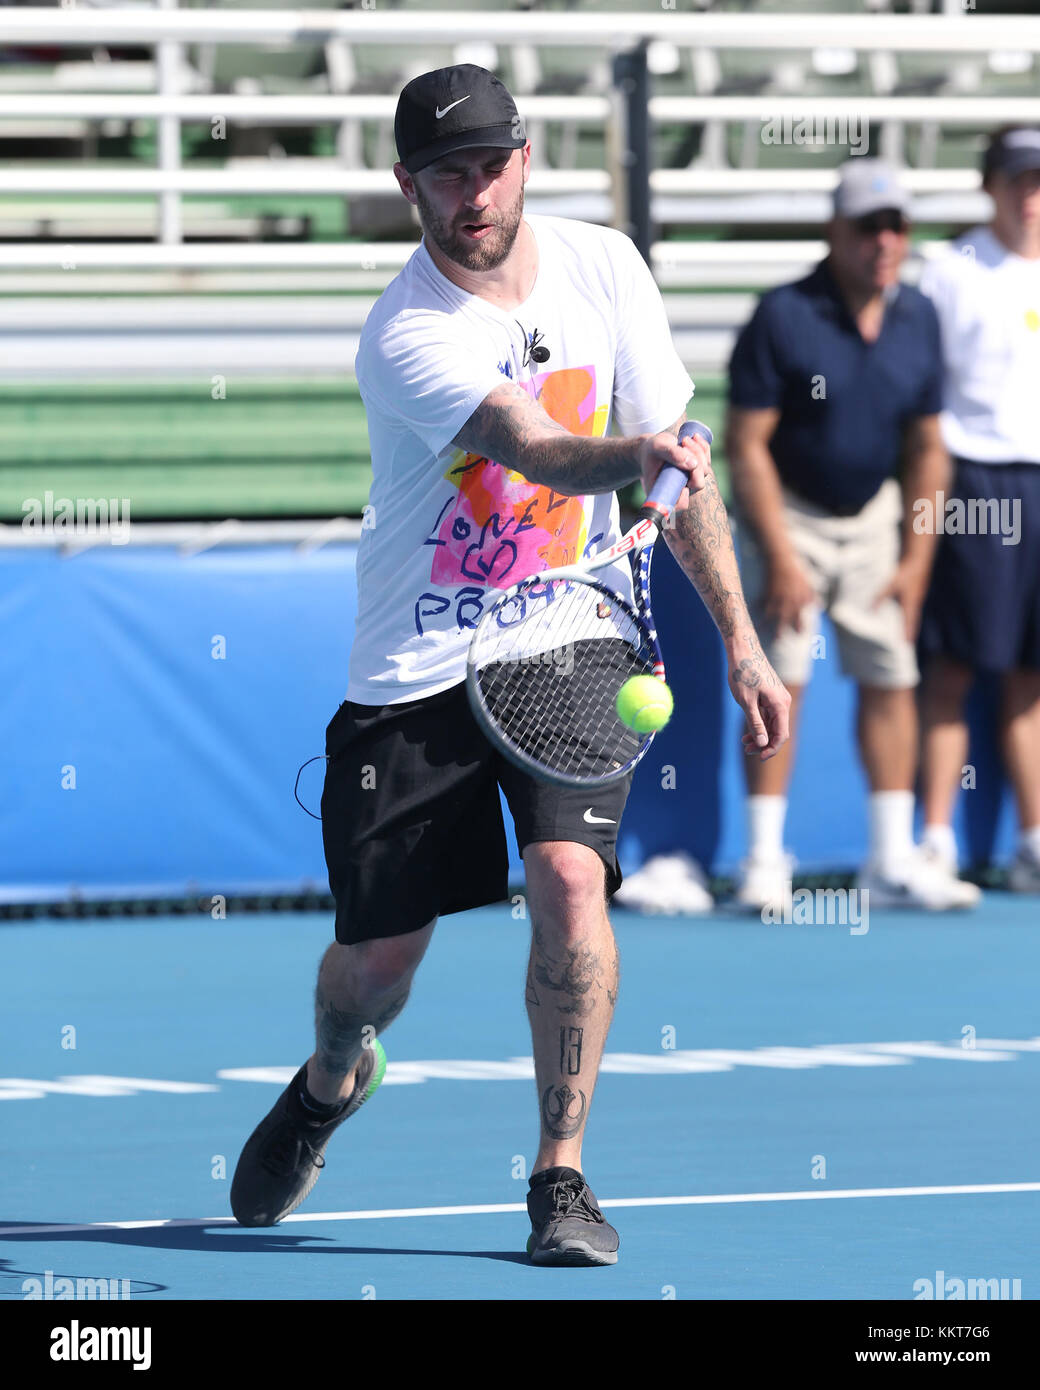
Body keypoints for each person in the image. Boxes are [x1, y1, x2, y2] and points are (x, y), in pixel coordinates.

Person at [229, 63, 789, 1267]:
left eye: (489, 164)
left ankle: (560, 1177)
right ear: (405, 186)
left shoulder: (607, 266)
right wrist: (640, 450)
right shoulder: (406, 331)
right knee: (377, 964)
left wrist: (739, 639)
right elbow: (533, 445)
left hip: (567, 633)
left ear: (524, 160)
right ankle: (329, 1082)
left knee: (570, 882)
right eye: (444, 172)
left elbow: (680, 475)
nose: (471, 192)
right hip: (416, 662)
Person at [726, 158, 979, 912]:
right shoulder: (784, 313)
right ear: (835, 232)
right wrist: (779, 556)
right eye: (869, 226)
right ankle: (766, 862)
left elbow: (931, 445)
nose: (884, 240)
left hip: (876, 519)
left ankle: (890, 858)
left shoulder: (919, 316)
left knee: (892, 680)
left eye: (896, 225)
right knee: (779, 687)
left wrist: (915, 559)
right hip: (790, 514)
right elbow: (747, 445)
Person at [917, 127, 1040, 892]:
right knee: (955, 668)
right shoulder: (949, 270)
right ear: (990, 187)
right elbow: (924, 402)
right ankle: (933, 840)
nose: (1031, 197)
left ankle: (1032, 839)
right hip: (976, 485)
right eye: (1017, 181)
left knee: (1033, 675)